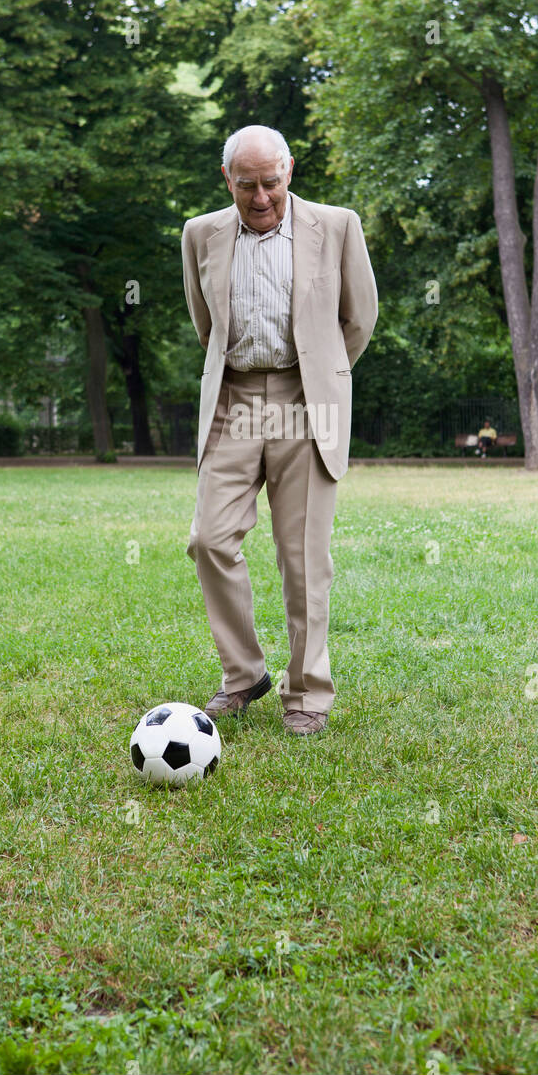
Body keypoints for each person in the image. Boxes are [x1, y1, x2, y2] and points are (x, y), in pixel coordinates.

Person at [181, 125, 378, 736]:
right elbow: (203, 319)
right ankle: (243, 675)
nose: (261, 196)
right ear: (227, 180)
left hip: (304, 399)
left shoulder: (337, 225)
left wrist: (321, 374)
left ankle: (307, 693)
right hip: (234, 399)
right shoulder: (200, 234)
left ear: (290, 171)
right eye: (248, 185)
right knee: (210, 540)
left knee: (302, 560)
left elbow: (359, 316)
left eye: (271, 181)